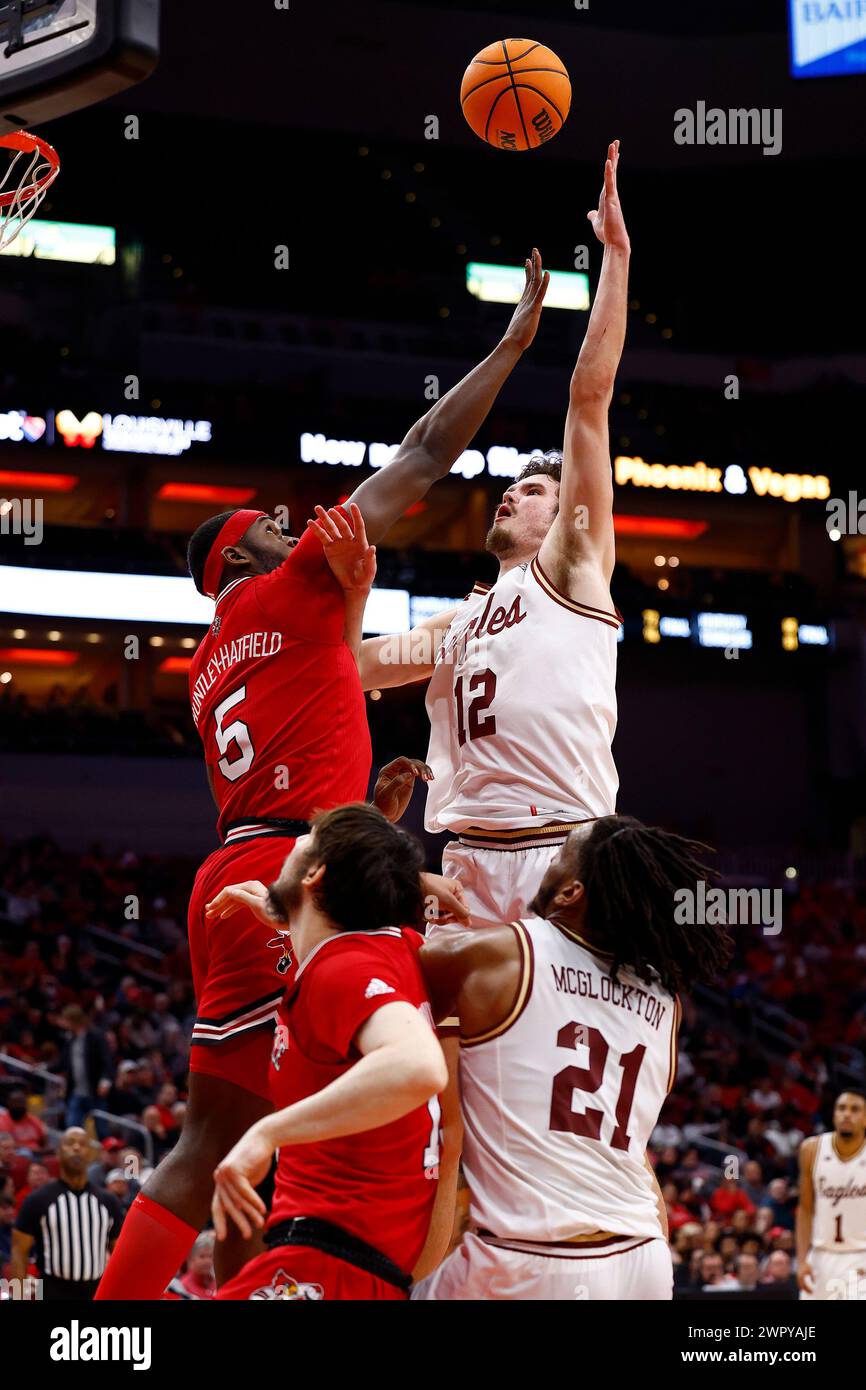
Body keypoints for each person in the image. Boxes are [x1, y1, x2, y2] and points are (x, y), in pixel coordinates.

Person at [96, 275, 544, 1301]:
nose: (291, 526)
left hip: (258, 859)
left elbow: (309, 717)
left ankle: (247, 1286)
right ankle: (111, 1329)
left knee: (257, 1115)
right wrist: (512, 345)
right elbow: (427, 451)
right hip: (296, 875)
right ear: (246, 553)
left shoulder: (209, 666)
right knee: (262, 1120)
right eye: (271, 526)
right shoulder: (296, 578)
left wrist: (366, 825)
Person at [355, 142, 629, 927]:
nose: (513, 492)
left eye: (536, 490)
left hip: (561, 853)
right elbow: (358, 666)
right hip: (466, 860)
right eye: (512, 486)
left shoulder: (574, 570)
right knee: (451, 1050)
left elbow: (589, 396)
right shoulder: (461, 623)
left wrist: (614, 253)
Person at [411, 816, 733, 1299]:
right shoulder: (667, 1003)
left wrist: (410, 888)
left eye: (559, 858)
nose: (547, 866)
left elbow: (380, 969)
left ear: (569, 894)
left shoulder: (503, 954)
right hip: (643, 1253)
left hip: (536, 1258)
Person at [207, 805, 449, 1301]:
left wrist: (267, 1132)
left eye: (307, 839)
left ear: (316, 875)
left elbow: (419, 1065)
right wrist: (287, 913)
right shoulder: (398, 947)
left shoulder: (339, 971)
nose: (293, 843)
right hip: (365, 1268)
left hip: (324, 1263)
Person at [10, 1128, 124, 1300]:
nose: (76, 1148)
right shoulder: (37, 1200)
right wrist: (18, 1298)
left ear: (90, 1153)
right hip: (51, 1292)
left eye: (82, 1144)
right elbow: (19, 1254)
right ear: (58, 1152)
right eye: (70, 1143)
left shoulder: (109, 1202)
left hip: (95, 1293)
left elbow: (119, 1256)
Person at [797, 1089, 866, 1300]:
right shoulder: (811, 1149)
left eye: (855, 1109)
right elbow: (806, 1208)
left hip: (861, 1257)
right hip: (821, 1256)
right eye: (841, 1108)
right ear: (834, 1114)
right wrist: (801, 1261)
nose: (846, 1114)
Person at [57, 1004, 114, 1129]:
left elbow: (107, 1061)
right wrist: (42, 1067)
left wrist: (105, 1081)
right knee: (72, 1128)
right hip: (76, 1092)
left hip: (95, 1091)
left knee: (101, 1129)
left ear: (73, 1020)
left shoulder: (96, 1036)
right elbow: (61, 1063)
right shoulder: (70, 1039)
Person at [0, 1089, 48, 1156]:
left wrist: (43, 1150)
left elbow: (43, 1141)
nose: (19, 1105)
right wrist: (32, 1150)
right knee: (24, 1153)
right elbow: (6, 1144)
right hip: (16, 1154)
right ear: (9, 1103)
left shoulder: (33, 1120)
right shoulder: (2, 1120)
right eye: (16, 1102)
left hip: (38, 1154)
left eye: (22, 1102)